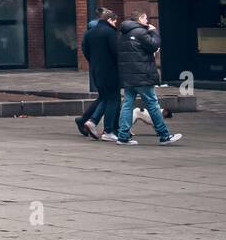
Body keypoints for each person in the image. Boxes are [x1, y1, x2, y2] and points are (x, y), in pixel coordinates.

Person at [113, 11, 183, 146]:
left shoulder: (121, 34)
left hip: (128, 76)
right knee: (152, 104)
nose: (147, 21)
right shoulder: (140, 32)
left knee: (127, 105)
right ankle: (164, 135)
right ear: (139, 19)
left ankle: (122, 136)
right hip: (142, 75)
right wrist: (154, 31)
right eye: (145, 18)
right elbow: (154, 45)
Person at [75, 8, 120, 140]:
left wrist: (94, 63)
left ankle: (90, 121)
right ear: (110, 20)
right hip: (110, 71)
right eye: (115, 21)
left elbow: (86, 51)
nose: (115, 24)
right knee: (113, 99)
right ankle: (108, 130)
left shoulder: (89, 33)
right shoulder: (110, 32)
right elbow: (116, 52)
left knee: (104, 98)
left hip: (96, 70)